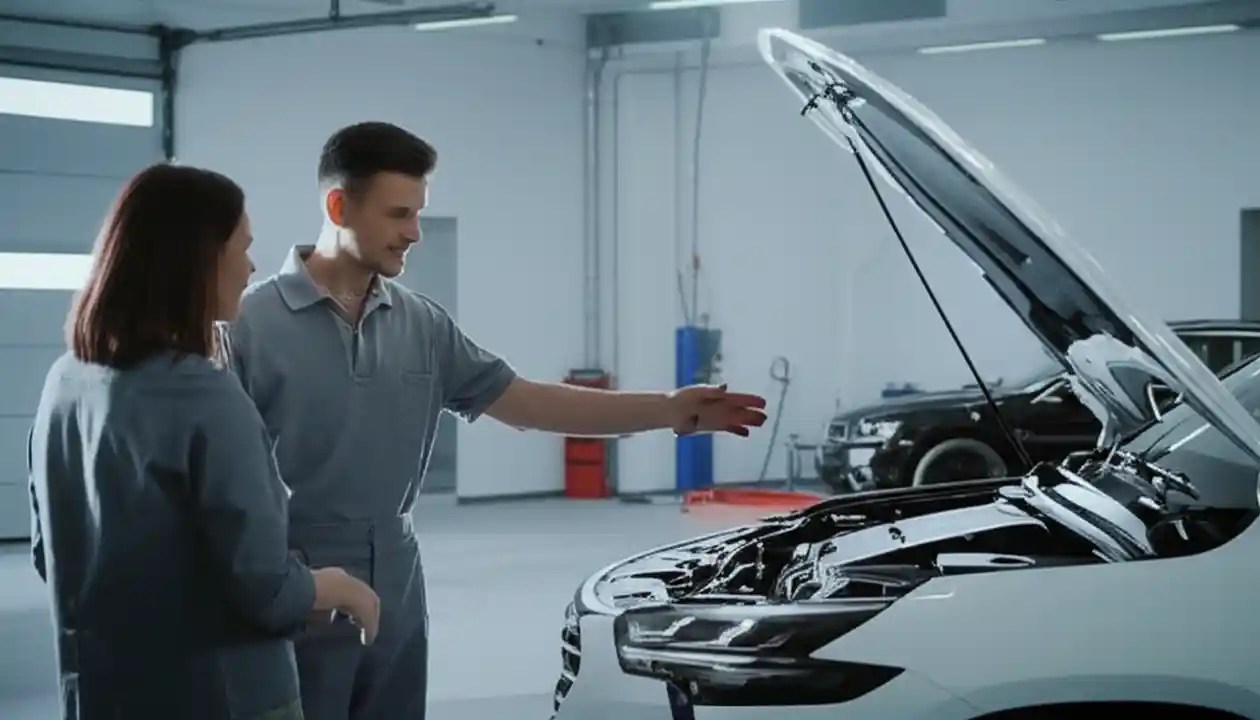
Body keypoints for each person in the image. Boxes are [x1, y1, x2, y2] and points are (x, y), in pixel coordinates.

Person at [225, 120, 767, 720]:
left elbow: (529, 402)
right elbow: (216, 492)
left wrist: (666, 409)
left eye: (418, 214)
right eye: (399, 214)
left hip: (399, 573)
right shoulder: (248, 326)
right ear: (338, 207)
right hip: (297, 574)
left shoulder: (423, 324)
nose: (414, 233)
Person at [26, 162, 384, 720]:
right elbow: (262, 588)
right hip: (223, 698)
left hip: (100, 692)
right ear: (197, 260)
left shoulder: (63, 383)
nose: (251, 267)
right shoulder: (207, 398)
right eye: (243, 248)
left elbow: (49, 553)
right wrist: (337, 588)